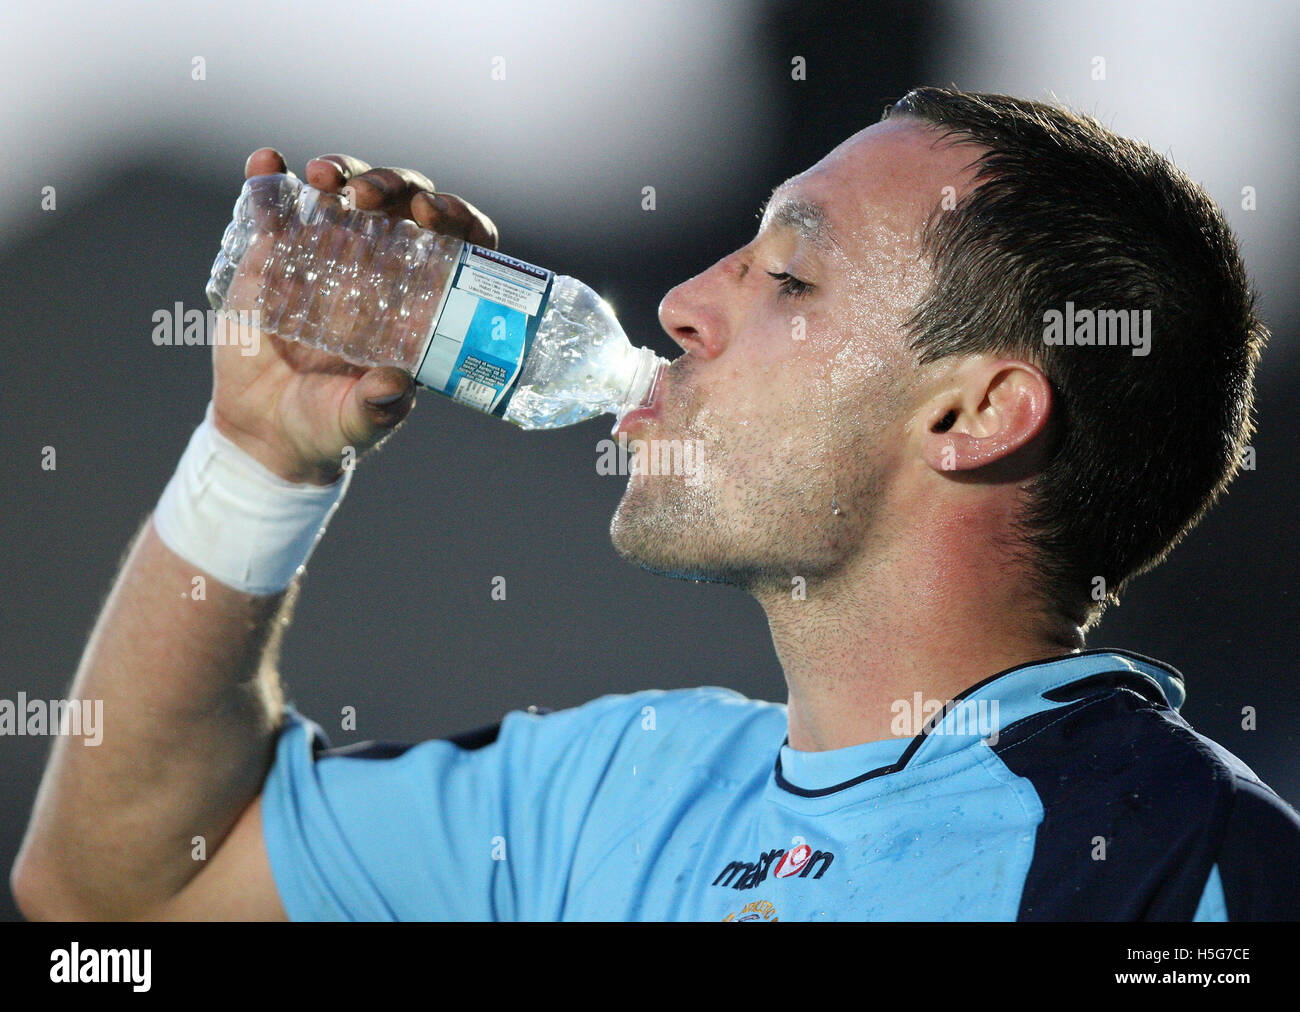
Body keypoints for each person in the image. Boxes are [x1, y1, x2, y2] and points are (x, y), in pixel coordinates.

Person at [13, 87, 1298, 921]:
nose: (684, 300)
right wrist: (259, 454)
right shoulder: (613, 789)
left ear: (971, 414)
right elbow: (113, 900)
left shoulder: (1183, 874)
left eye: (788, 274)